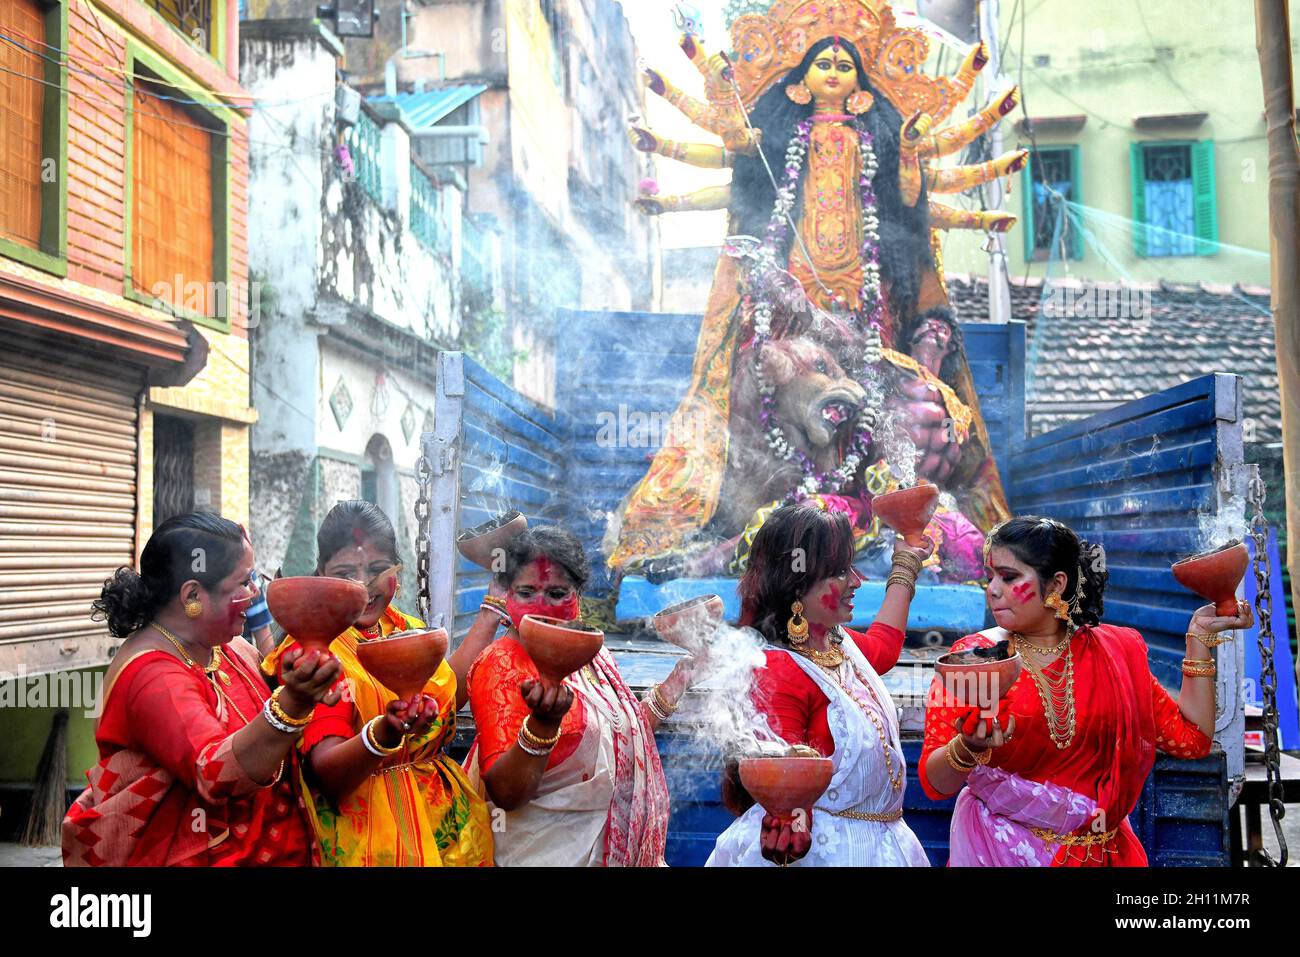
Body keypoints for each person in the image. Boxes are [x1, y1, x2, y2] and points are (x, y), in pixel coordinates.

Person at [610, 6, 1027, 578]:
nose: (833, 70)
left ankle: (857, 539)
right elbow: (740, 187)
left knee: (889, 403)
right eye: (822, 62)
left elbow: (910, 204)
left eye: (844, 63)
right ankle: (740, 541)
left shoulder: (878, 144)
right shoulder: (778, 144)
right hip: (792, 312)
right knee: (771, 388)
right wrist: (674, 190)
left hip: (868, 312)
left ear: (860, 86)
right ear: (799, 81)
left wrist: (907, 153)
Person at [919, 516, 1254, 866]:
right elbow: (934, 783)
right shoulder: (977, 659)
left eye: (1009, 577)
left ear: (1056, 584)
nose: (992, 589)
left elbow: (1191, 740)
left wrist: (1198, 640)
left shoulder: (1117, 652)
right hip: (1000, 851)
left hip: (1100, 855)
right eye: (990, 577)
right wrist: (969, 746)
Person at [64, 513, 340, 866]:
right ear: (193, 595)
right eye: (243, 583)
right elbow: (216, 774)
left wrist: (293, 678)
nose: (255, 593)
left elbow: (265, 698)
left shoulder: (226, 647)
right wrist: (294, 701)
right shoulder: (152, 676)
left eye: (254, 579)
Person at [262, 501, 493, 866]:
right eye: (345, 572)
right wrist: (385, 732)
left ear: (396, 573)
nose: (364, 586)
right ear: (322, 573)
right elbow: (327, 775)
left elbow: (447, 695)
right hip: (370, 841)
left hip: (448, 835)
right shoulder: (315, 649)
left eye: (376, 569)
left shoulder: (403, 628)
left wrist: (492, 609)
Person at [707, 503, 933, 867]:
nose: (857, 581)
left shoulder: (838, 642)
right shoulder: (778, 670)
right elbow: (780, 780)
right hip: (823, 853)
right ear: (798, 586)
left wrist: (906, 563)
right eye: (842, 572)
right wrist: (790, 824)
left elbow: (886, 646)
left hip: (881, 846)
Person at [464, 525, 704, 866]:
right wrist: (542, 726)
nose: (541, 606)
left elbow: (621, 737)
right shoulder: (503, 663)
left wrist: (680, 680)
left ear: (579, 595)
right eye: (526, 592)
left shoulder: (589, 654)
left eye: (558, 593)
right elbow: (506, 793)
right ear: (507, 596)